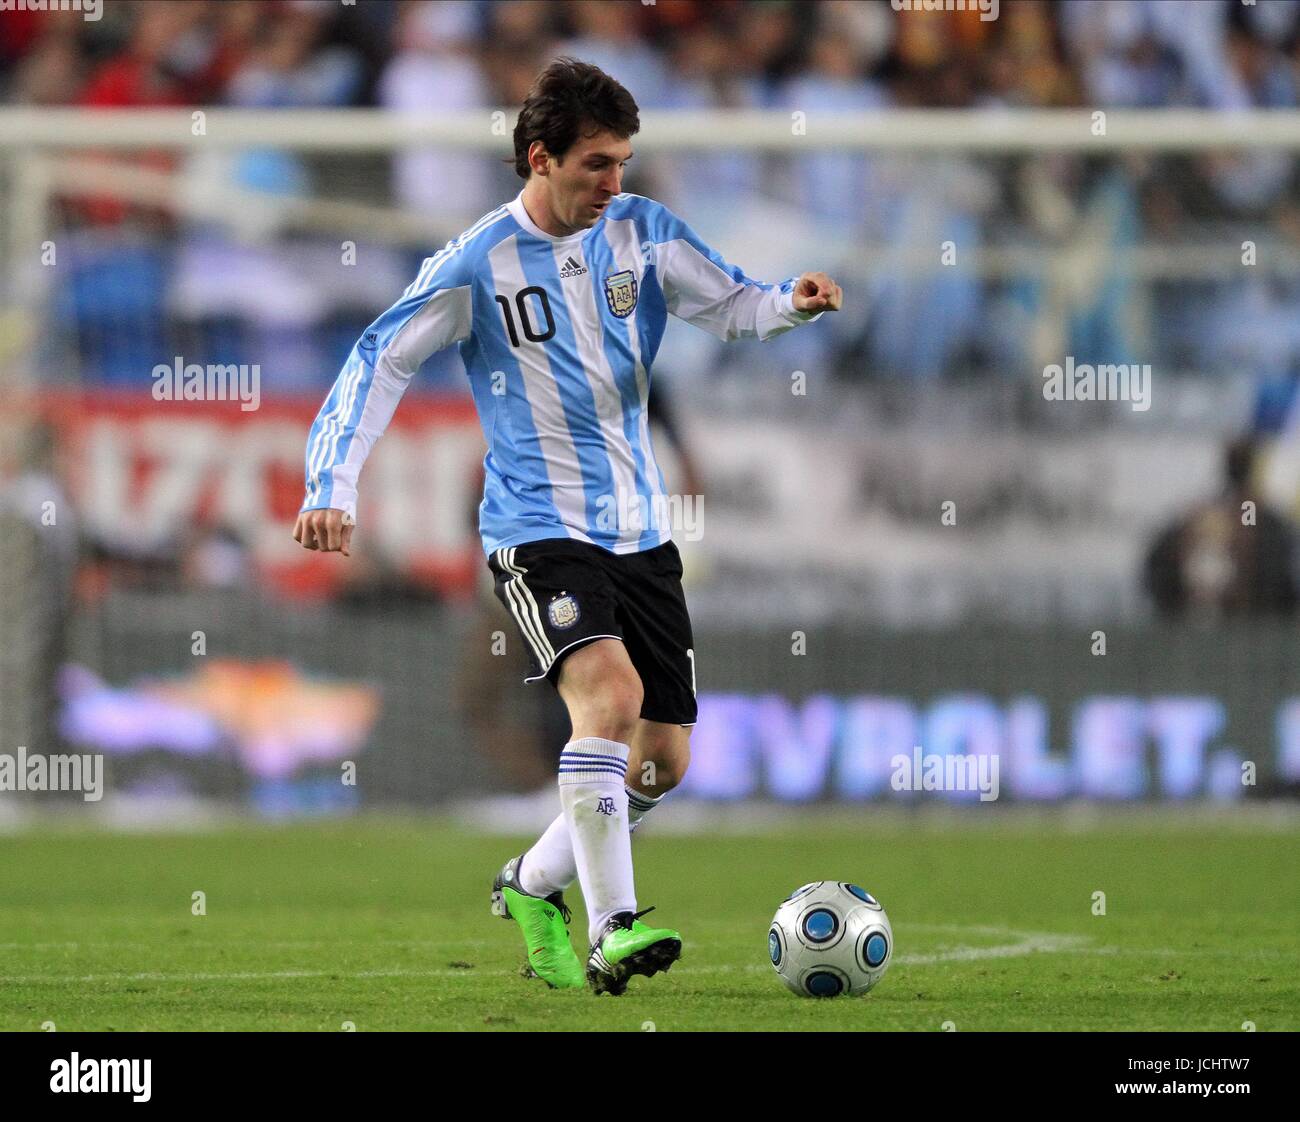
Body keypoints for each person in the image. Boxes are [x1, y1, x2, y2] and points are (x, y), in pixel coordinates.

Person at [293, 57, 841, 995]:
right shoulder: (477, 264)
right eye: (596, 164)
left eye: (623, 162)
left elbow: (734, 306)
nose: (614, 182)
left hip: (640, 530)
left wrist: (790, 305)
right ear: (539, 159)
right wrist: (330, 481)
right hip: (537, 525)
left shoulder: (644, 232)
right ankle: (613, 929)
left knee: (662, 763)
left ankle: (533, 883)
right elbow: (381, 357)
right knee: (609, 698)